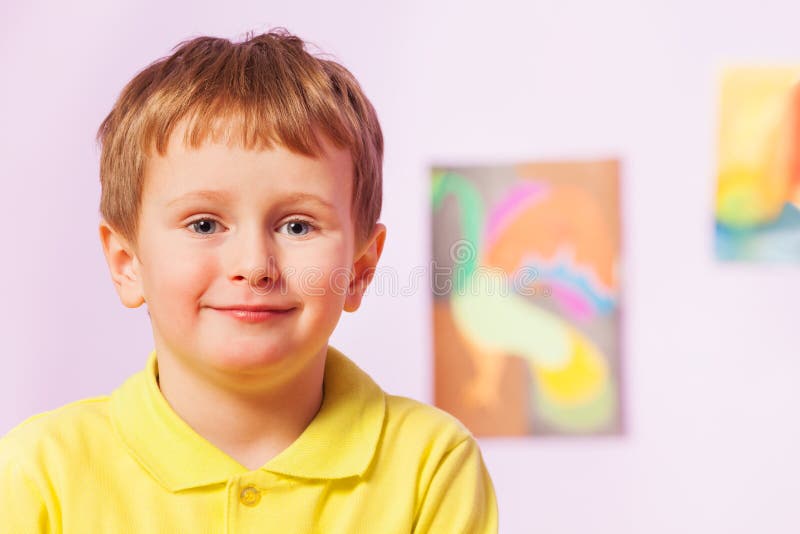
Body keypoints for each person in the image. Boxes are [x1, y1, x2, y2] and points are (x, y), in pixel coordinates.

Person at [0, 28, 498, 533]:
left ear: (361, 270)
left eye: (298, 226)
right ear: (128, 263)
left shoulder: (430, 467)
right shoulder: (38, 475)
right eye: (204, 224)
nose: (255, 265)